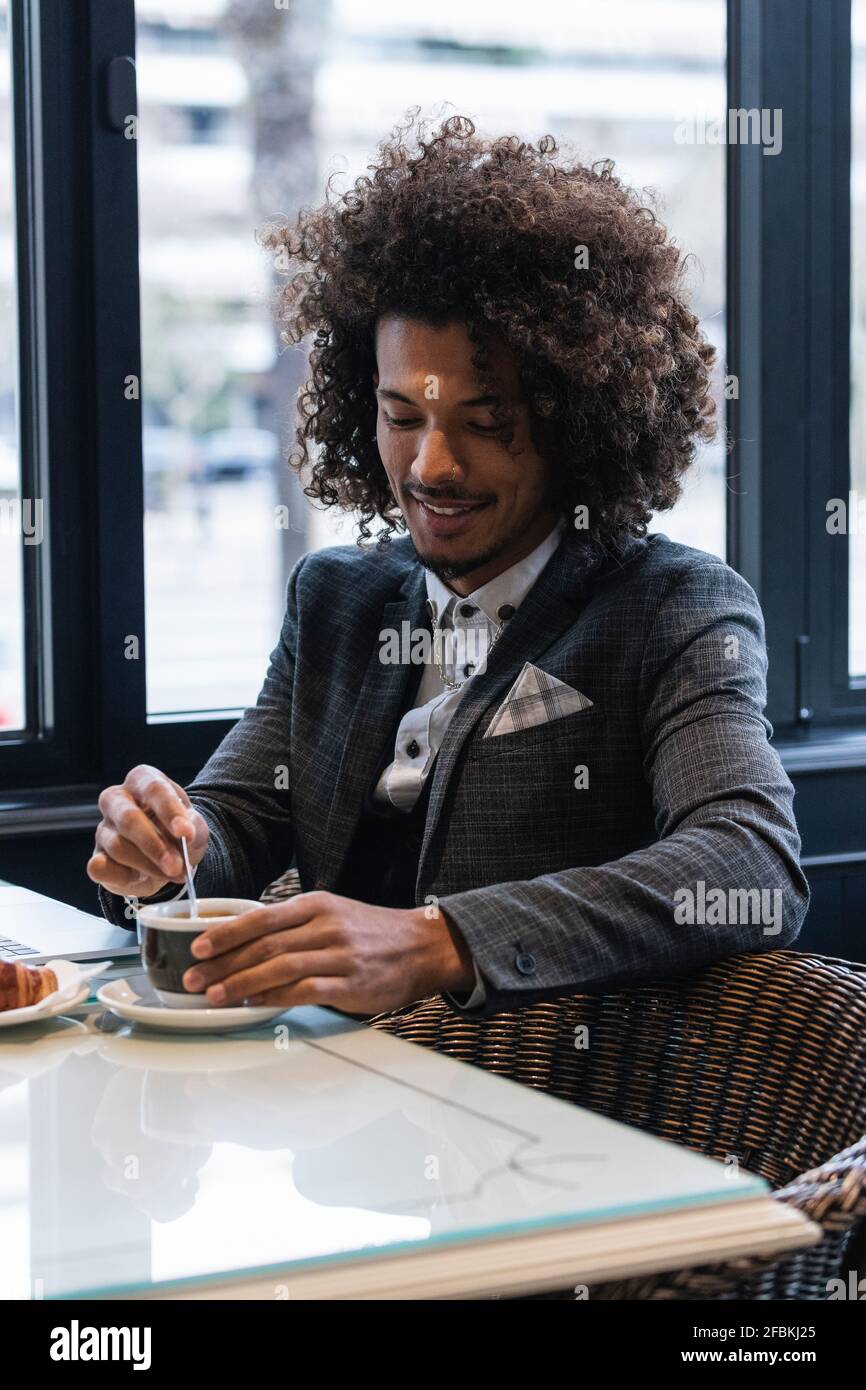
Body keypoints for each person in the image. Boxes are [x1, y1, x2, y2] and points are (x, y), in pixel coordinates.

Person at [89, 115, 808, 1019]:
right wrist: (166, 846)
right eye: (402, 416)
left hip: (537, 1126)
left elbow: (752, 864)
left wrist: (440, 939)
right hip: (328, 1118)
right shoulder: (336, 599)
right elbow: (234, 821)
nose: (431, 468)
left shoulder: (673, 610)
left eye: (485, 421)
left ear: (576, 417)